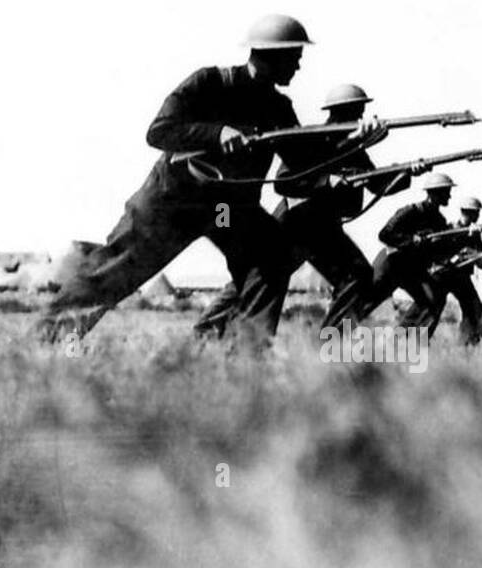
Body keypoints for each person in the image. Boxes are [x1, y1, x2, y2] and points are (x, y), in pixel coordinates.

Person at [37, 14, 375, 345]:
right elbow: (159, 131)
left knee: (270, 256)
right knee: (117, 271)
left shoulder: (277, 107)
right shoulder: (209, 84)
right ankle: (47, 341)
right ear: (274, 55)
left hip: (223, 212)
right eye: (295, 58)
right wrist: (217, 133)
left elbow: (302, 166)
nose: (299, 67)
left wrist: (353, 143)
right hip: (172, 204)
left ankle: (247, 359)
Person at [192, 84, 420, 337]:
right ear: (339, 112)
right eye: (356, 110)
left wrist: (406, 172)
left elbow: (379, 184)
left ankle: (330, 346)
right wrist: (328, 179)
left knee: (357, 278)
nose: (360, 115)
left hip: (323, 229)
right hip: (294, 223)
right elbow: (286, 180)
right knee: (259, 279)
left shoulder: (357, 150)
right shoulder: (312, 138)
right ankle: (206, 328)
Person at [357, 173, 463, 329]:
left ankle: (401, 342)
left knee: (431, 301)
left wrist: (460, 237)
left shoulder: (439, 221)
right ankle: (332, 338)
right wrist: (411, 239)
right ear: (434, 193)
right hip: (391, 263)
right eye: (446, 191)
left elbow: (440, 253)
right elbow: (385, 234)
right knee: (364, 304)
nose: (449, 196)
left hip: (412, 269)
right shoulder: (411, 211)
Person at [399, 196, 482, 343]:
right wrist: (466, 235)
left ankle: (467, 345)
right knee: (430, 309)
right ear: (466, 212)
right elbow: (441, 248)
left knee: (474, 307)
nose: (476, 215)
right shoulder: (449, 228)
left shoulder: (475, 234)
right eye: (474, 212)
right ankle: (404, 339)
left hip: (461, 277)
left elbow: (480, 259)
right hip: (444, 274)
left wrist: (474, 238)